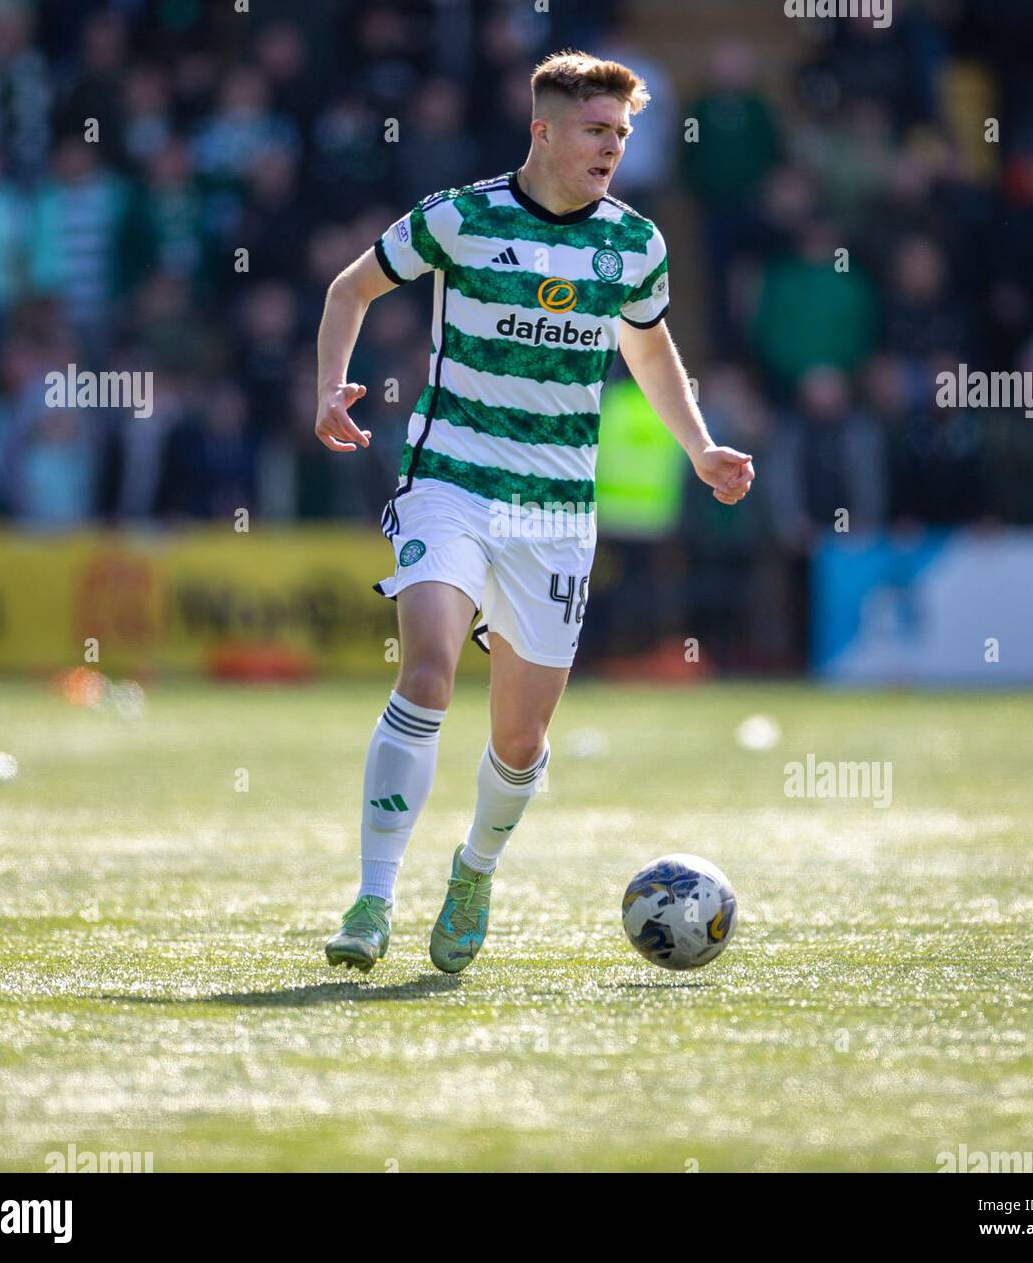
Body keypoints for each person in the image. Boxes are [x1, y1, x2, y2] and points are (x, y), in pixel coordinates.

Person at [312, 50, 755, 974]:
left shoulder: (633, 243)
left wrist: (699, 447)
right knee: (427, 670)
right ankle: (371, 899)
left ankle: (472, 871)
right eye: (596, 131)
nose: (611, 149)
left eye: (622, 135)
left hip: (555, 512)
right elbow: (347, 287)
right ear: (542, 130)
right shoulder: (462, 217)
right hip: (452, 481)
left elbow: (648, 348)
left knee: (520, 738)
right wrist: (326, 391)